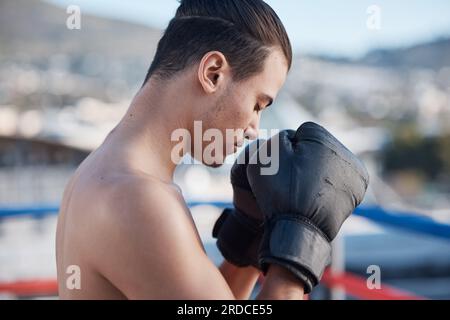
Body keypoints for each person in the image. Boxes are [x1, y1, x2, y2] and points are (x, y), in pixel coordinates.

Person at [56, 0, 368, 300]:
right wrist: (295, 256)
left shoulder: (102, 170)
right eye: (257, 104)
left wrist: (250, 233)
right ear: (213, 72)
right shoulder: (139, 200)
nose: (253, 130)